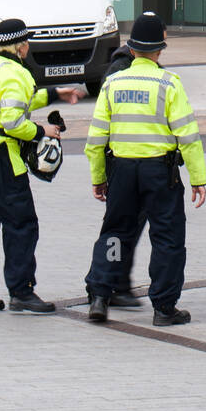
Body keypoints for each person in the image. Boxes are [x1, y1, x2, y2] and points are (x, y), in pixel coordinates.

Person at [85, 12, 206, 326]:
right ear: (159, 50)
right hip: (159, 173)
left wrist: (99, 177)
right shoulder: (169, 84)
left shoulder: (112, 83)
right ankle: (164, 307)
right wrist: (198, 178)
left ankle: (100, 294)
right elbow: (188, 136)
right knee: (166, 238)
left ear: (133, 47)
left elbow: (96, 138)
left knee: (114, 234)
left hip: (121, 171)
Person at [0, 19, 84, 314]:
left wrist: (55, 93)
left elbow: (17, 101)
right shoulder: (15, 73)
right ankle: (22, 291)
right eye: (27, 44)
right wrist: (43, 132)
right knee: (22, 223)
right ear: (21, 46)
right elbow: (13, 121)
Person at [86, 39, 153, 310]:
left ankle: (110, 284)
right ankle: (108, 284)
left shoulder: (121, 70)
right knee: (120, 230)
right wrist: (99, 175)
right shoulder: (120, 71)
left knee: (120, 230)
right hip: (128, 166)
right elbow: (102, 128)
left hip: (123, 167)